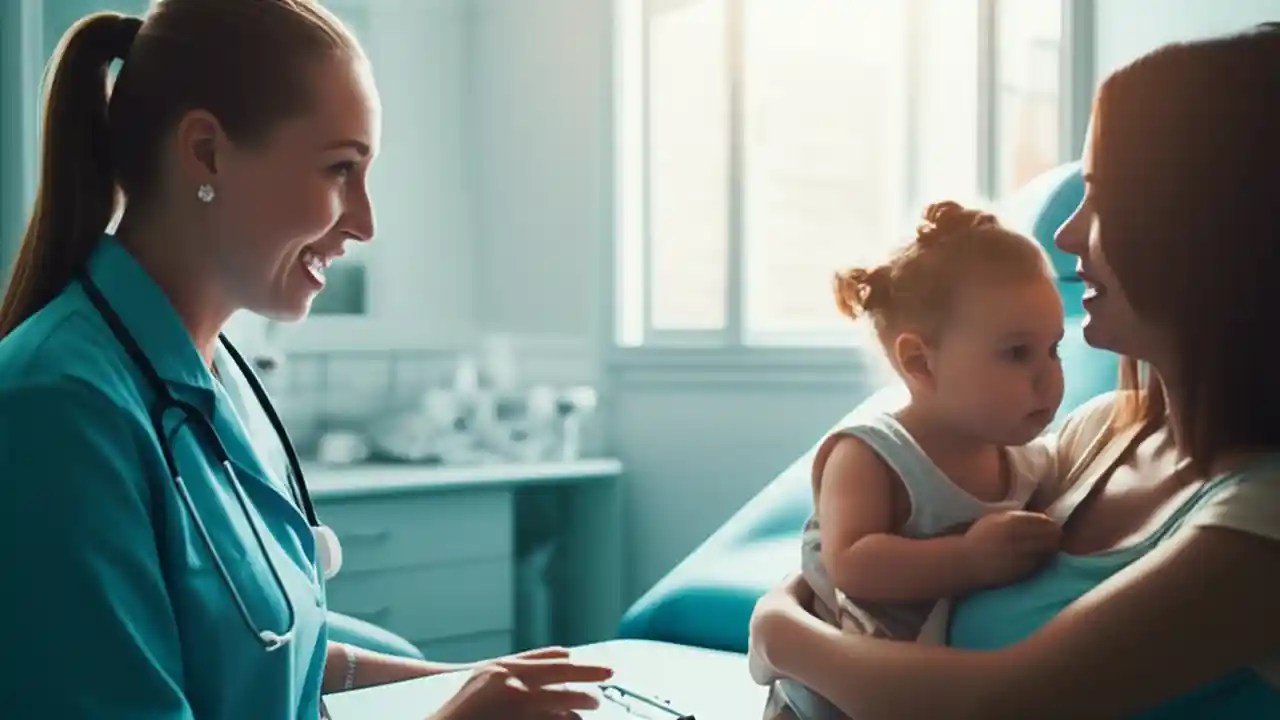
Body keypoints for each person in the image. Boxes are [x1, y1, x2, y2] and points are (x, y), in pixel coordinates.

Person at [0, 2, 610, 718]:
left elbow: (280, 648)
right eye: (340, 169)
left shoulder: (220, 381)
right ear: (206, 153)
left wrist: (471, 680)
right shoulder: (57, 409)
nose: (365, 221)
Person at [748, 23, 1280, 719]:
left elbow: (992, 705)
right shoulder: (1095, 436)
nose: (1065, 234)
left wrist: (777, 631)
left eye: (1104, 196)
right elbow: (896, 535)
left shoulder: (1259, 520)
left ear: (1205, 224)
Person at [748, 201, 1065, 720]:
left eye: (1054, 349)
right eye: (1016, 353)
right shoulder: (873, 453)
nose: (1047, 377)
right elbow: (850, 563)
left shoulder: (1030, 462)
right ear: (919, 361)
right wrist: (968, 558)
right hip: (822, 704)